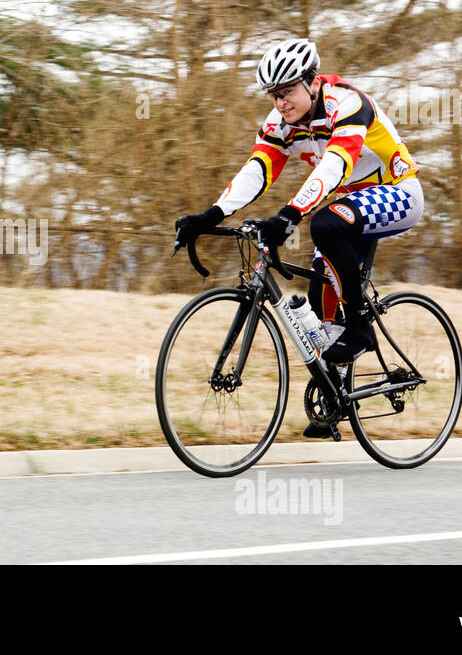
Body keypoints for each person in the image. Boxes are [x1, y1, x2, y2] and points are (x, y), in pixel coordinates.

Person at [175, 38, 426, 437]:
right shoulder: (281, 123)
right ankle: (336, 397)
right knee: (320, 291)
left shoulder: (348, 104)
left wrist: (289, 215)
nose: (281, 103)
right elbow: (257, 170)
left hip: (398, 192)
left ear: (312, 83)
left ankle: (362, 329)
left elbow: (335, 164)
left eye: (288, 91)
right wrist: (210, 215)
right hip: (346, 204)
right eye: (274, 95)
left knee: (324, 225)